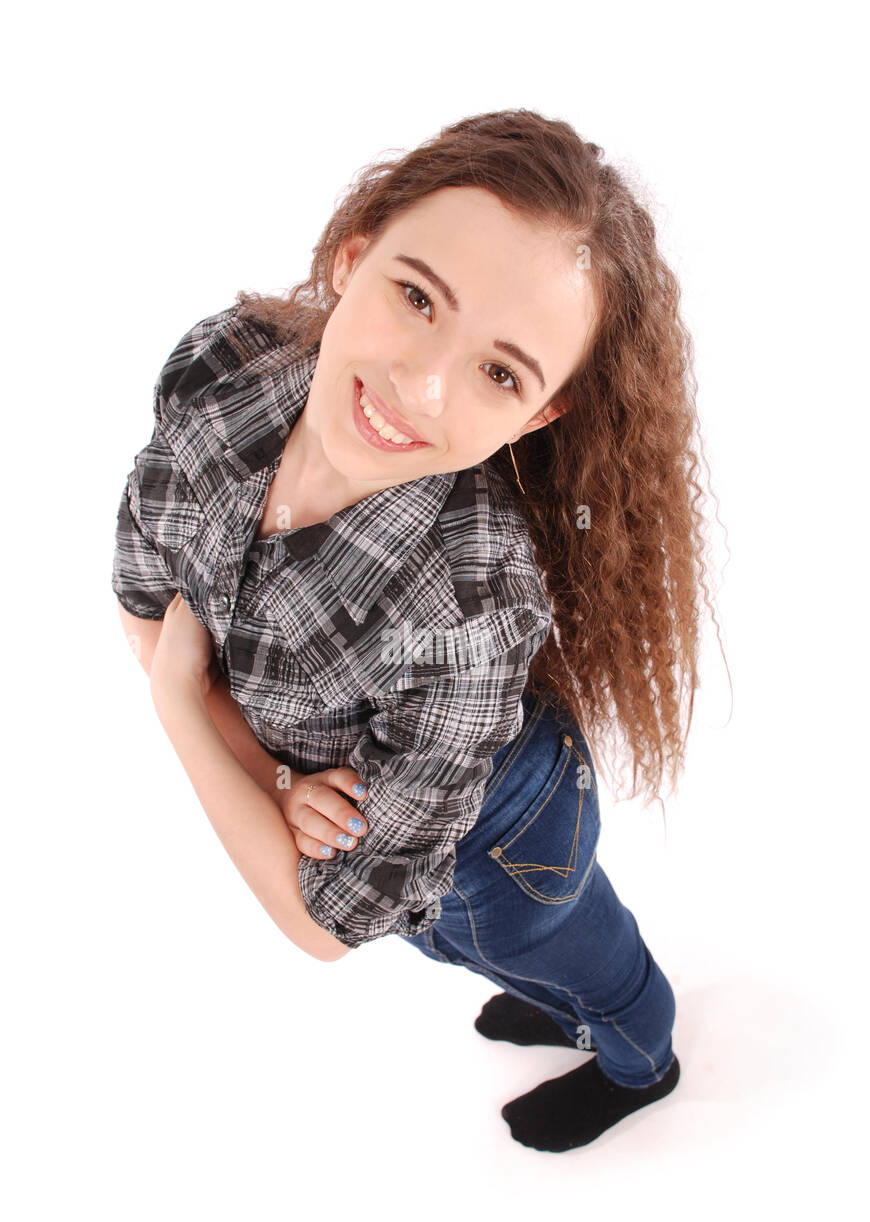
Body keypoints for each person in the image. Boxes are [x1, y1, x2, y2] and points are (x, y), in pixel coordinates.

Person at [113, 109, 721, 1151]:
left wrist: (181, 705)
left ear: (538, 414)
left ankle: (639, 1055)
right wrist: (272, 784)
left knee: (572, 951)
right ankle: (554, 999)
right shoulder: (223, 366)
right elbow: (138, 588)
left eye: (499, 372)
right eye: (416, 297)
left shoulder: (467, 609)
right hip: (393, 828)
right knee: (474, 955)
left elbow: (324, 921)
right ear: (356, 255)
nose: (420, 384)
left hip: (508, 838)